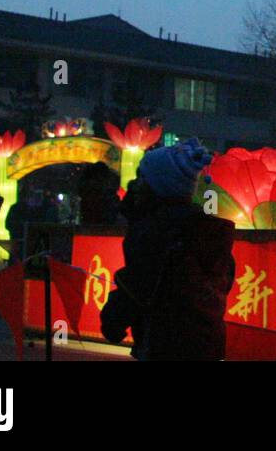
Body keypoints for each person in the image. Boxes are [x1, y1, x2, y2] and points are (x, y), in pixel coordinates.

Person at [99, 140, 234, 360]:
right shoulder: (207, 230)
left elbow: (138, 285)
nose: (136, 184)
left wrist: (113, 320)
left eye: (142, 177)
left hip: (165, 345)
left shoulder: (158, 232)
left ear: (158, 186)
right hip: (206, 346)